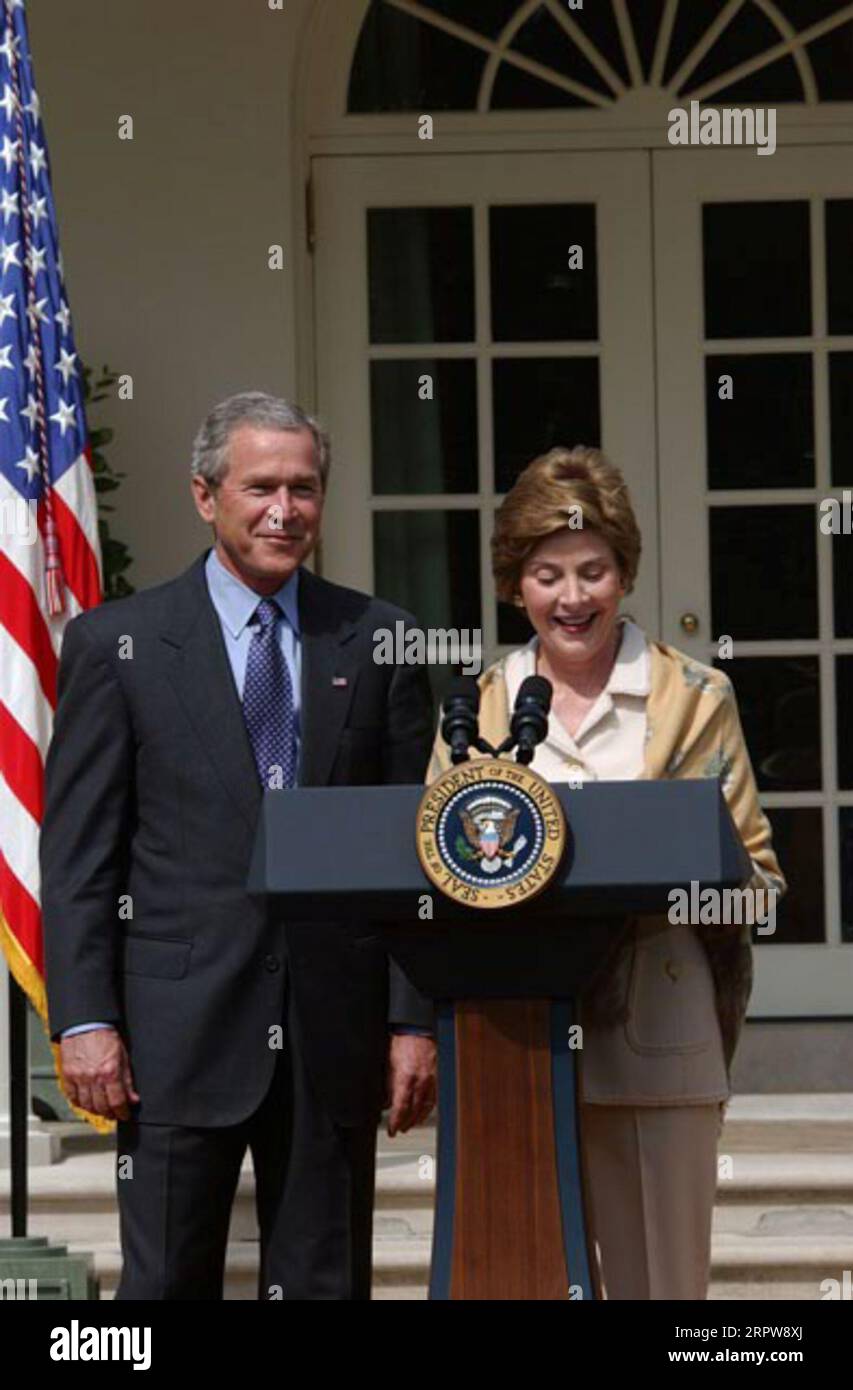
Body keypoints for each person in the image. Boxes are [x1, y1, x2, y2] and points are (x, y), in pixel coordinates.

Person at [41, 391, 437, 1301]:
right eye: (260, 487)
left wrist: (411, 1019)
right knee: (165, 1288)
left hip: (332, 1029)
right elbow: (80, 857)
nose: (283, 511)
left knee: (324, 1284)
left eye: (303, 489)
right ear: (204, 494)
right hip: (171, 1035)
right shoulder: (119, 643)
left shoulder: (375, 639)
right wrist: (86, 1019)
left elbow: (406, 847)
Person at [427, 445, 785, 1300]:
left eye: (593, 571)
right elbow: (432, 870)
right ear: (515, 585)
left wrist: (657, 875)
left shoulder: (696, 698)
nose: (572, 597)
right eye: (547, 575)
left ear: (623, 575)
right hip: (506, 1045)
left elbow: (759, 882)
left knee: (658, 1292)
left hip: (655, 1039)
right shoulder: (472, 709)